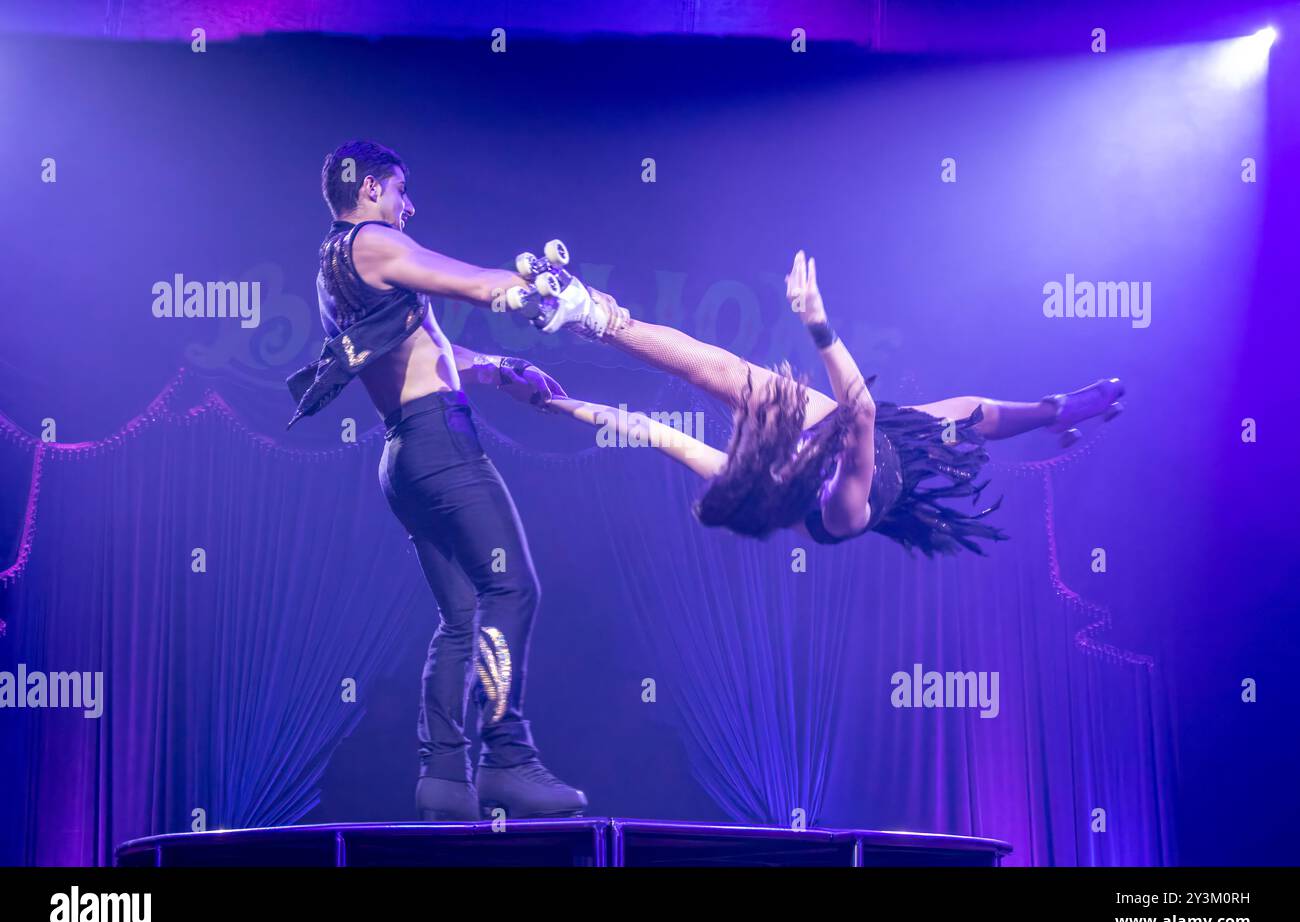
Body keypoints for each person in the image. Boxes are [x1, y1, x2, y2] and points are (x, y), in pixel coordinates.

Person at [286, 140, 586, 820]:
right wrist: (532, 292)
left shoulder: (336, 265)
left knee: (460, 617)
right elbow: (473, 282)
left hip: (405, 454)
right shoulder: (371, 241)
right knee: (512, 587)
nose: (408, 204)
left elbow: (426, 353)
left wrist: (500, 368)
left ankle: (444, 779)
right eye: (398, 189)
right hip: (438, 443)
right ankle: (507, 759)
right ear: (367, 190)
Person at [538, 250, 1124, 557]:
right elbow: (862, 414)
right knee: (967, 416)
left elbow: (642, 427)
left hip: (832, 431)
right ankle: (1055, 412)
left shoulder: (735, 477)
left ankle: (594, 315)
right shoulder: (838, 514)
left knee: (722, 372)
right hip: (891, 453)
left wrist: (552, 402)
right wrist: (816, 322)